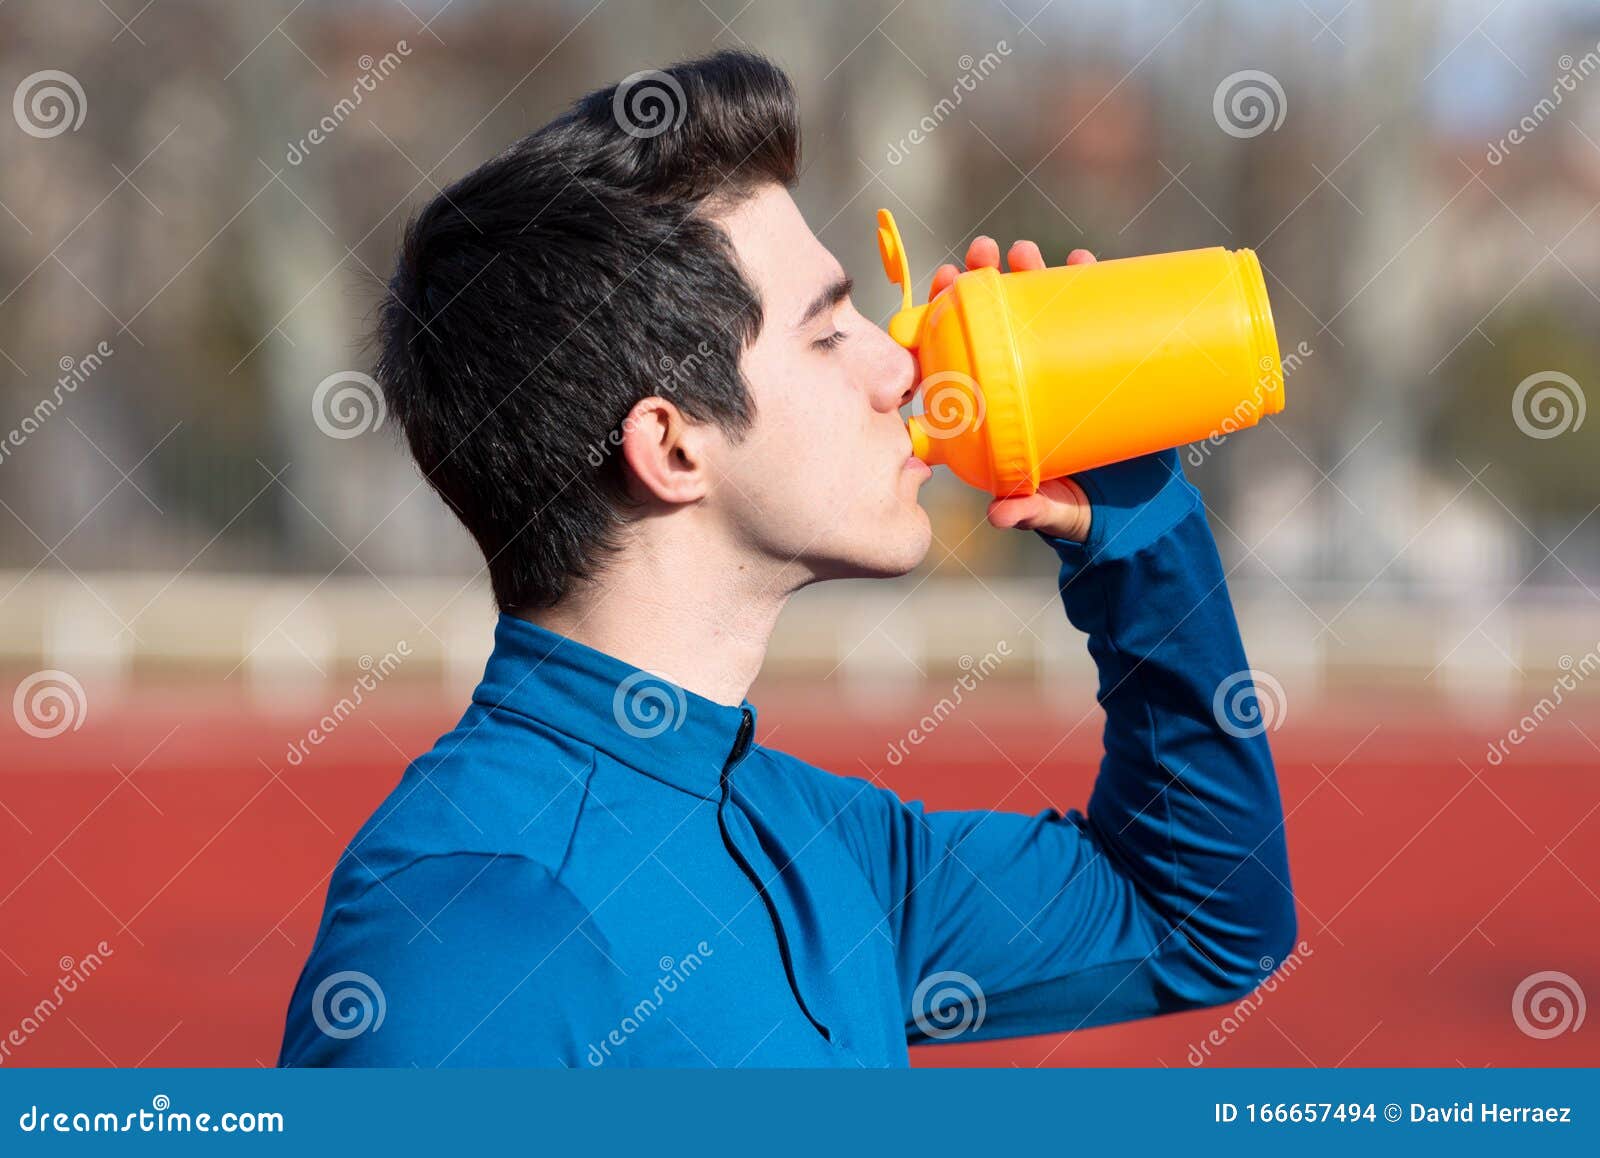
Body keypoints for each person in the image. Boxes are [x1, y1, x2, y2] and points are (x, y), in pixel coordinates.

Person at [278, 49, 1294, 1068]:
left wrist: (1128, 499)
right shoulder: (467, 920)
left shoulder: (809, 840)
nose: (900, 367)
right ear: (673, 447)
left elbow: (1200, 918)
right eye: (827, 331)